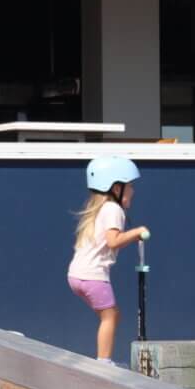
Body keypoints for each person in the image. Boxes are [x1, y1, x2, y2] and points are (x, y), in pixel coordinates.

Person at [68, 156, 150, 366]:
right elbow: (113, 241)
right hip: (93, 276)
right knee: (110, 317)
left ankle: (104, 358)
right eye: (130, 186)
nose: (133, 191)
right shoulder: (113, 210)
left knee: (113, 314)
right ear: (116, 187)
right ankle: (103, 362)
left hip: (77, 275)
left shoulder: (101, 209)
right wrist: (137, 232)